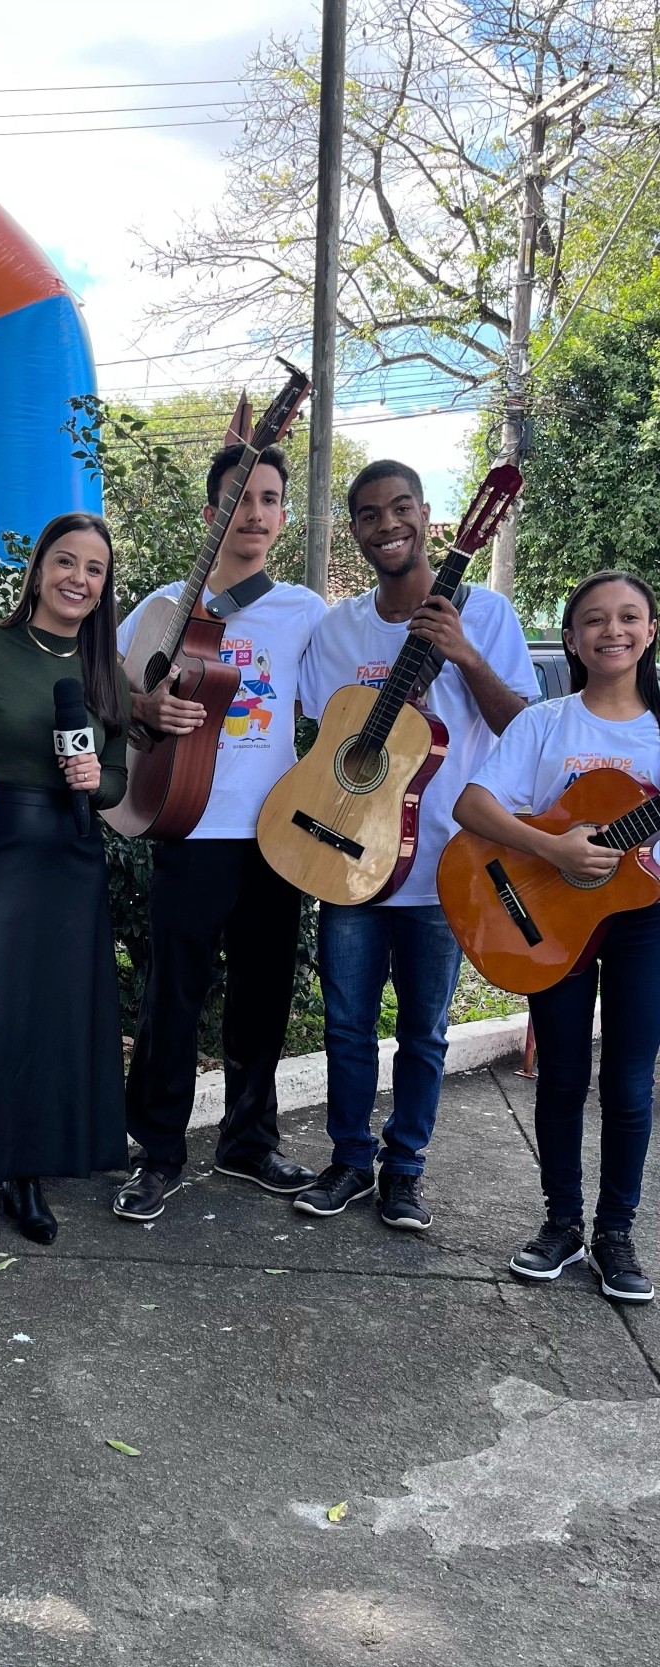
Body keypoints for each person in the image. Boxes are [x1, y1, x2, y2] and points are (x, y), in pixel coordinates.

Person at [293, 459, 537, 1230]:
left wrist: (464, 654)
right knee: (344, 1026)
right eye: (369, 513)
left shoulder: (487, 613)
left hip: (443, 866)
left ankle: (404, 1171)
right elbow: (319, 734)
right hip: (348, 860)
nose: (386, 523)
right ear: (356, 529)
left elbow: (522, 733)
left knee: (424, 1033)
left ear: (431, 517)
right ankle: (347, 1160)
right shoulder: (337, 629)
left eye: (401, 508)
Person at [112, 442, 328, 1223]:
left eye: (271, 500)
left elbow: (342, 700)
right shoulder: (168, 605)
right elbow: (106, 687)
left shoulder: (305, 610)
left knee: (265, 993)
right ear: (212, 515)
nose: (258, 514)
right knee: (173, 995)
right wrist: (147, 710)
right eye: (242, 500)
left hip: (276, 832)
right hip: (189, 822)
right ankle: (158, 1151)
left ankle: (247, 1141)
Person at [0, 514, 131, 1263]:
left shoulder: (107, 670)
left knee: (50, 1021)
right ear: (38, 570)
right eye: (65, 562)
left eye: (94, 570)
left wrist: (96, 779)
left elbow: (120, 781)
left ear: (104, 587)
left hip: (69, 858)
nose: (79, 578)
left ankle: (28, 1177)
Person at [455, 570, 660, 1303]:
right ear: (571, 639)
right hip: (550, 918)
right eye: (596, 620)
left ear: (651, 630)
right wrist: (554, 850)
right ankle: (561, 1225)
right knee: (563, 1075)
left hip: (644, 921)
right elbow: (473, 804)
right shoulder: (546, 721)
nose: (614, 630)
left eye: (629, 616)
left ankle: (616, 1233)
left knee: (630, 1083)